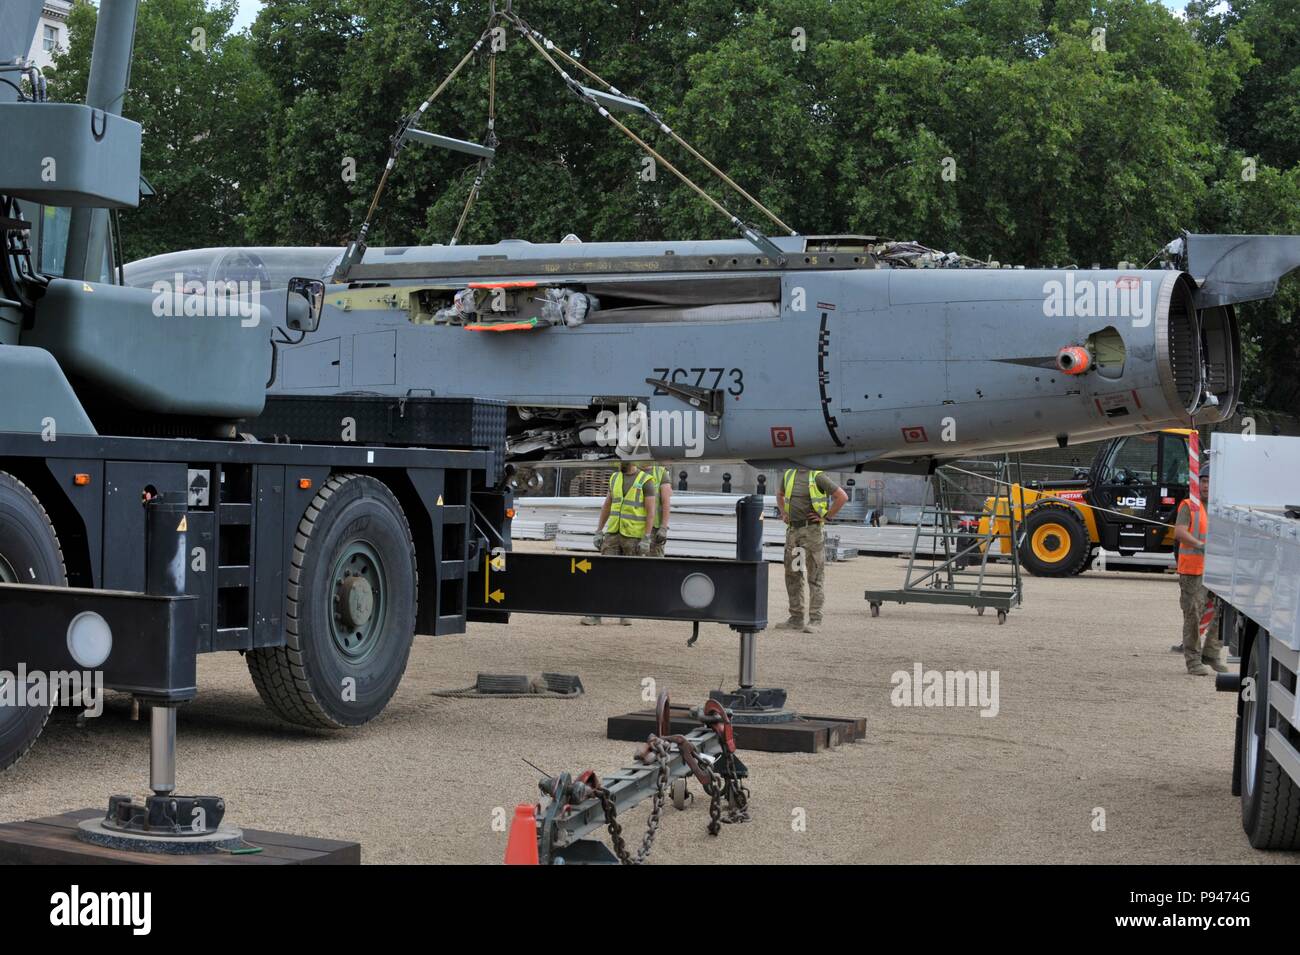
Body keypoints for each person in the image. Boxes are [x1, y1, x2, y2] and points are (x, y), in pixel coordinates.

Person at [582, 460, 656, 626]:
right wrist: (599, 530)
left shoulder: (646, 480)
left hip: (633, 536)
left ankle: (625, 612)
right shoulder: (614, 478)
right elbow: (607, 505)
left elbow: (651, 511)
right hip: (613, 533)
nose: (621, 463)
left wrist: (646, 537)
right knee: (605, 574)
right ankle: (597, 614)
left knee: (629, 575)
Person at [775, 467, 848, 633]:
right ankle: (796, 618)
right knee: (793, 574)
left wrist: (827, 516)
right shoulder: (788, 474)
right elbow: (780, 494)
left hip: (812, 533)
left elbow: (842, 497)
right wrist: (783, 512)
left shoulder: (818, 476)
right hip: (794, 533)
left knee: (815, 576)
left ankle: (815, 620)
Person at [1174, 462, 1224, 675]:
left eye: (1210, 482)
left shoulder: (1221, 508)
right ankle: (1193, 660)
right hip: (1193, 572)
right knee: (1193, 615)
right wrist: (1199, 545)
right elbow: (1179, 532)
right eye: (1203, 481)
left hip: (1216, 570)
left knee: (1222, 613)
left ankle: (1211, 653)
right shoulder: (1188, 505)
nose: (1206, 486)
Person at [644, 461, 672, 556]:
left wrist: (663, 527)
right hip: (634, 527)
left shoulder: (660, 472)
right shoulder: (632, 471)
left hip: (654, 529)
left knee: (654, 563)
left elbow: (666, 502)